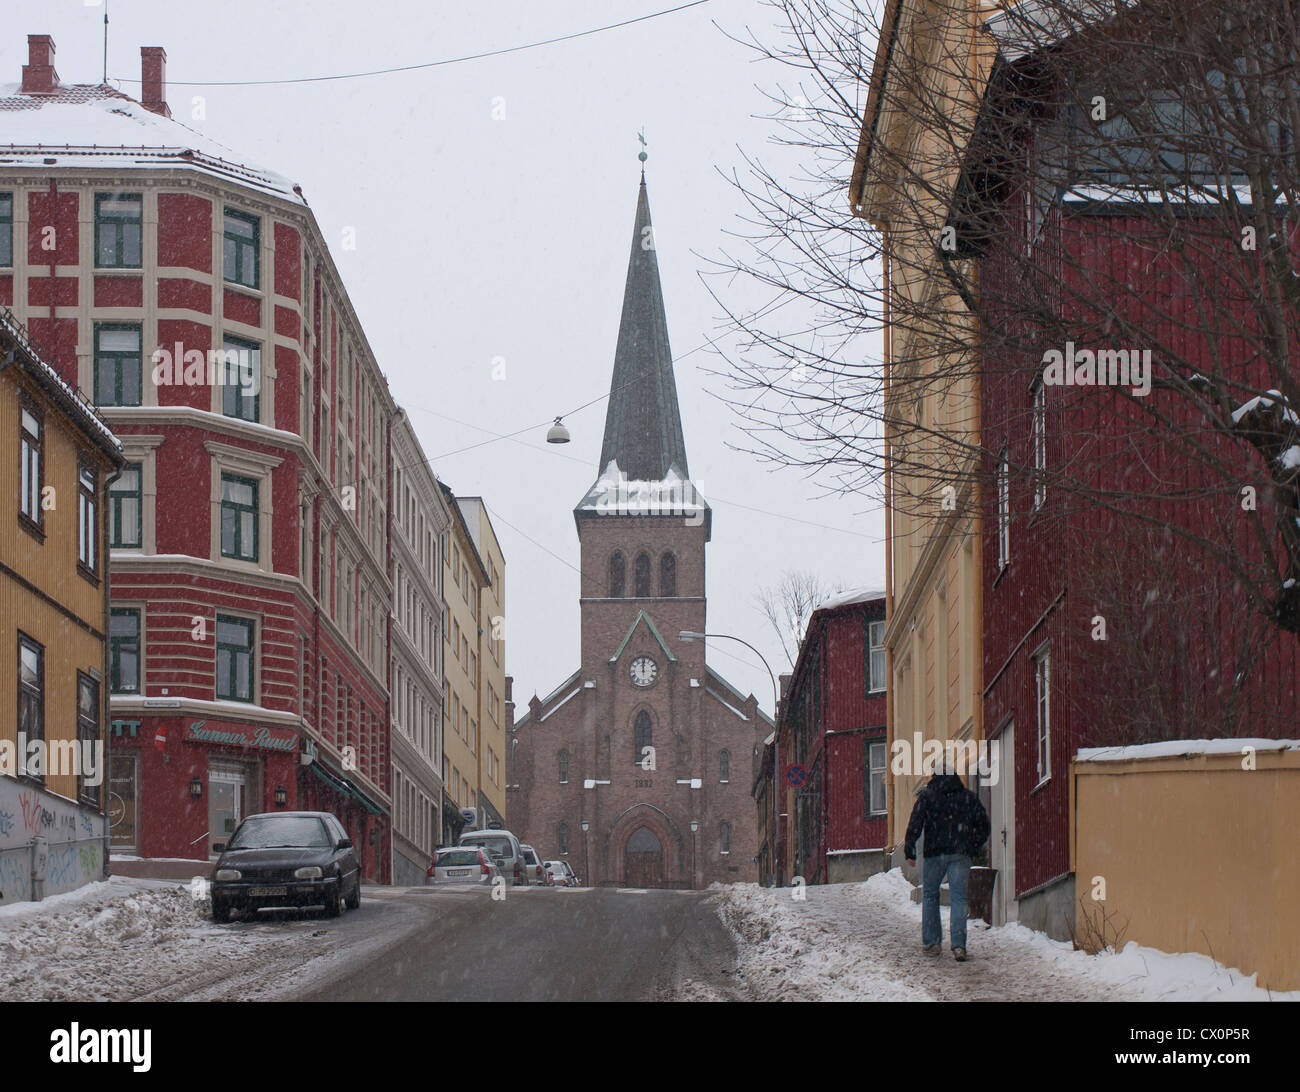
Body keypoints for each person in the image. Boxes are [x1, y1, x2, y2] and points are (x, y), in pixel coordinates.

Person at [904, 758, 991, 962]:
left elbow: (915, 823)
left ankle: (932, 943)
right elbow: (983, 826)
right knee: (959, 898)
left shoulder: (927, 797)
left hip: (934, 854)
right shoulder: (967, 797)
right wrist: (972, 846)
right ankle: (959, 946)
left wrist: (910, 850)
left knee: (930, 895)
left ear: (934, 775)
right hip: (960, 853)